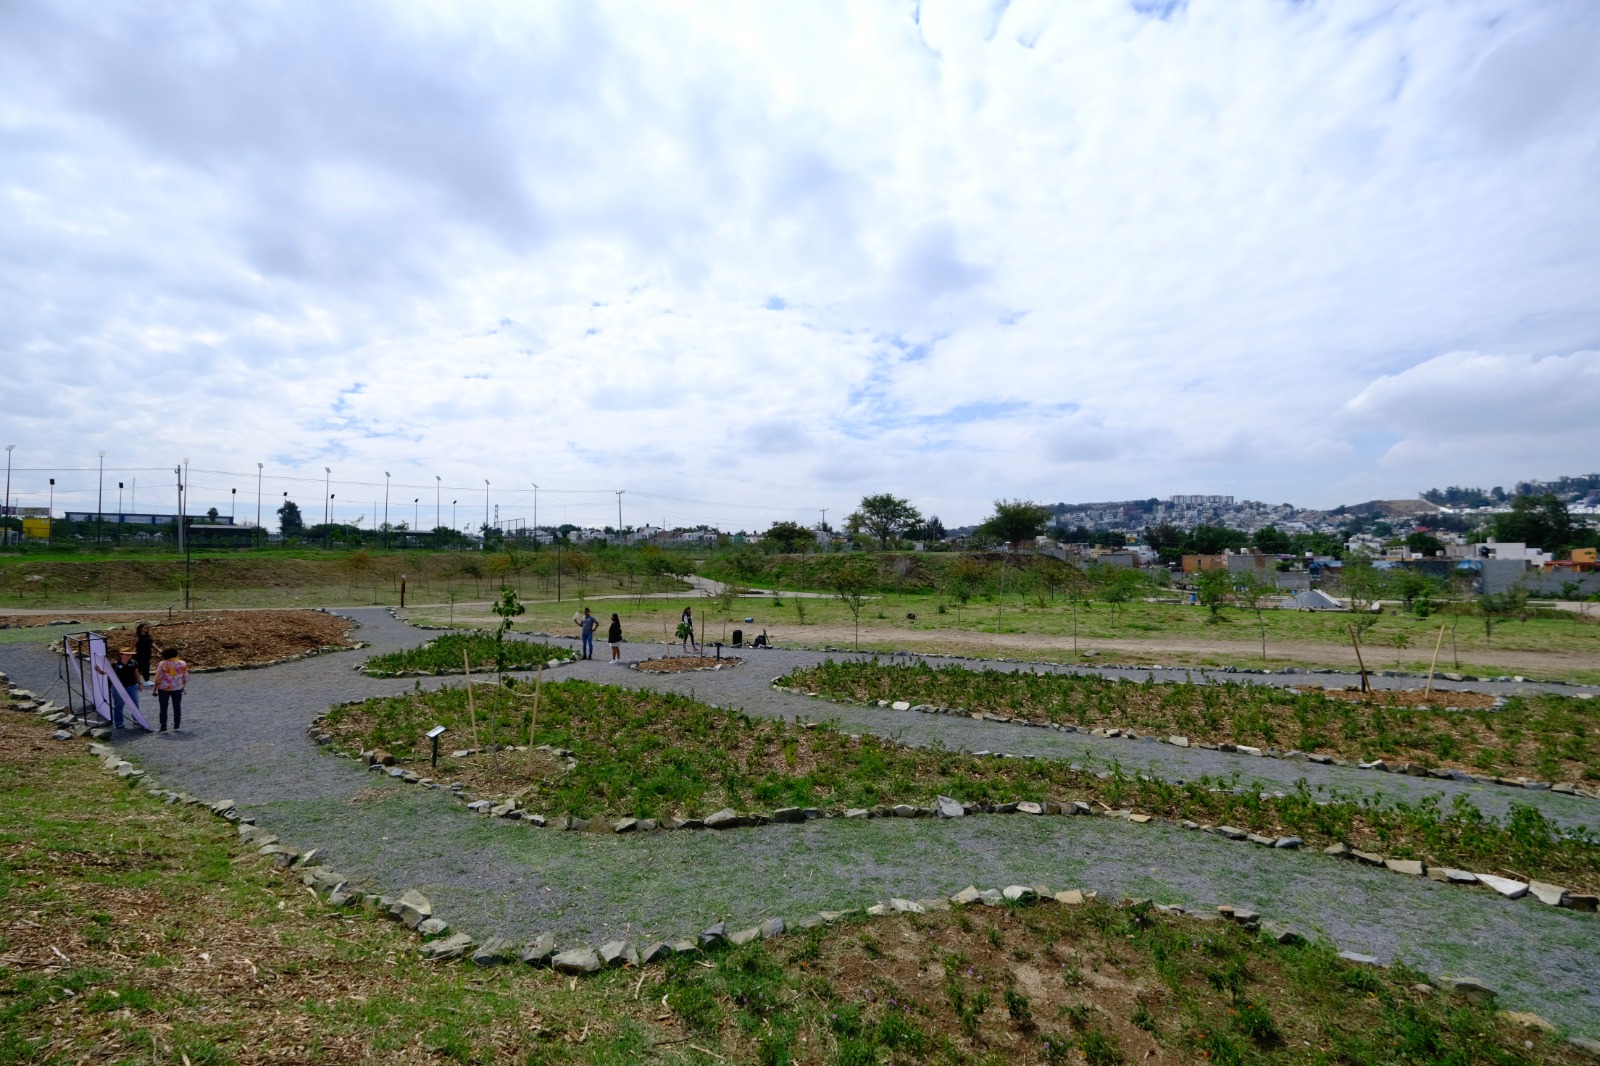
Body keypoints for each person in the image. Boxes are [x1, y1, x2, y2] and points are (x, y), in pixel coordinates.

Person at [153, 646, 189, 732]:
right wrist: (183, 687)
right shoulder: (182, 663)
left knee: (163, 707)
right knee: (177, 707)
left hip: (164, 688)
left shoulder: (163, 663)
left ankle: (163, 727)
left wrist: (155, 689)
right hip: (177, 687)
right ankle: (177, 726)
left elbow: (158, 677)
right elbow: (185, 677)